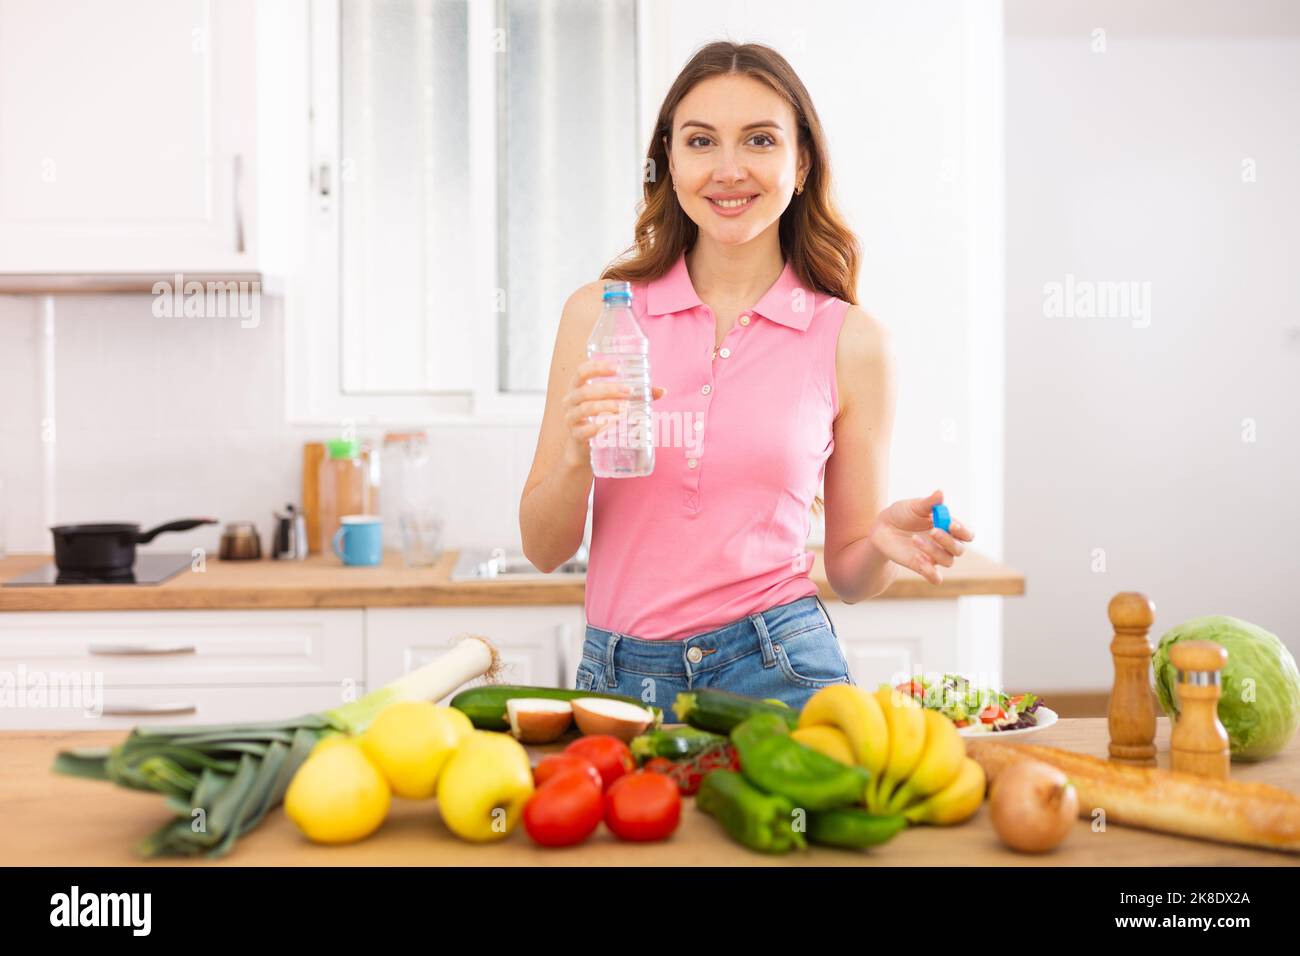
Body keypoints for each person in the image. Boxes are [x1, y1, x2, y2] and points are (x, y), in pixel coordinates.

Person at [520, 41, 974, 719]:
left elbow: (848, 575)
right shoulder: (601, 314)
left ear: (801, 163)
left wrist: (878, 543)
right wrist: (573, 458)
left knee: (805, 830)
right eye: (701, 141)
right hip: (620, 681)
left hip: (781, 667)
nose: (728, 170)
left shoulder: (853, 341)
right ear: (668, 163)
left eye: (759, 139)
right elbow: (543, 548)